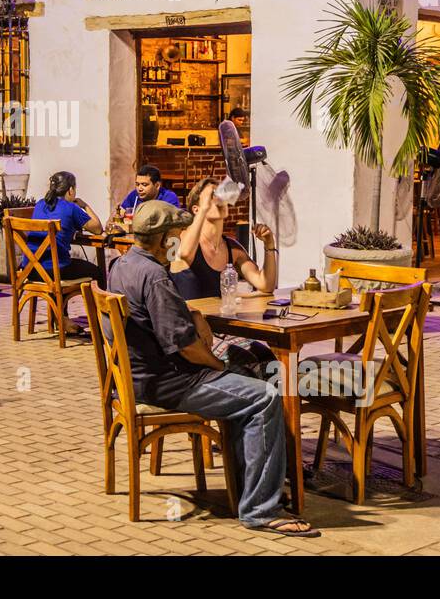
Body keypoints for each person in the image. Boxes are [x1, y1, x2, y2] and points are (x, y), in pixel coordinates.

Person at [106, 200, 319, 538]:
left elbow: (161, 321)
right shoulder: (155, 276)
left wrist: (191, 317)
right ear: (164, 240)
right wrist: (219, 365)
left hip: (138, 377)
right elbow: (187, 348)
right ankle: (261, 509)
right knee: (264, 396)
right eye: (176, 233)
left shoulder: (122, 265)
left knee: (252, 375)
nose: (179, 239)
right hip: (169, 382)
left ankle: (251, 487)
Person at [171, 178, 277, 300]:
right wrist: (204, 207)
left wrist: (269, 244)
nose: (219, 198)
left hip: (216, 317)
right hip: (187, 317)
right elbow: (185, 254)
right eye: (213, 195)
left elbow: (266, 285)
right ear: (196, 209)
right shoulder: (181, 237)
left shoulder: (232, 248)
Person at [24, 171, 104, 282]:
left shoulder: (40, 204)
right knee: (98, 272)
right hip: (53, 271)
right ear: (70, 190)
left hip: (29, 269)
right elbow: (98, 229)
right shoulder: (71, 207)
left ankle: (58, 299)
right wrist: (85, 205)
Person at [110, 164, 180, 226]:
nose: (139, 189)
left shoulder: (169, 198)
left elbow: (172, 223)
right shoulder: (134, 195)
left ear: (157, 185)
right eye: (137, 184)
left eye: (144, 185)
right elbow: (119, 214)